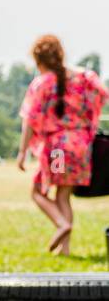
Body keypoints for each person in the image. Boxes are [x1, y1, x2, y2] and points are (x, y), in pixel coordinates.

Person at [19, 35, 108, 255]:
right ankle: (64, 249)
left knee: (38, 191)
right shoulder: (84, 77)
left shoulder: (43, 83)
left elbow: (29, 117)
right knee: (62, 195)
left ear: (39, 60)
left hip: (58, 150)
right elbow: (102, 95)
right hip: (81, 147)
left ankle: (61, 224)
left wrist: (22, 152)